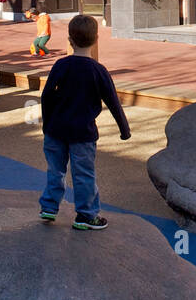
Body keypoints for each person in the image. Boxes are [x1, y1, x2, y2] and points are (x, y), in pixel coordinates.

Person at [38, 14, 130, 230]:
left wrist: (47, 123)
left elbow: (47, 96)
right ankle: (86, 215)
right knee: (84, 174)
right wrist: (124, 130)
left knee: (55, 170)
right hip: (83, 133)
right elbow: (113, 102)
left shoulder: (61, 65)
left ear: (69, 40)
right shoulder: (98, 70)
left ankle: (49, 208)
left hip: (56, 130)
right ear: (97, 39)